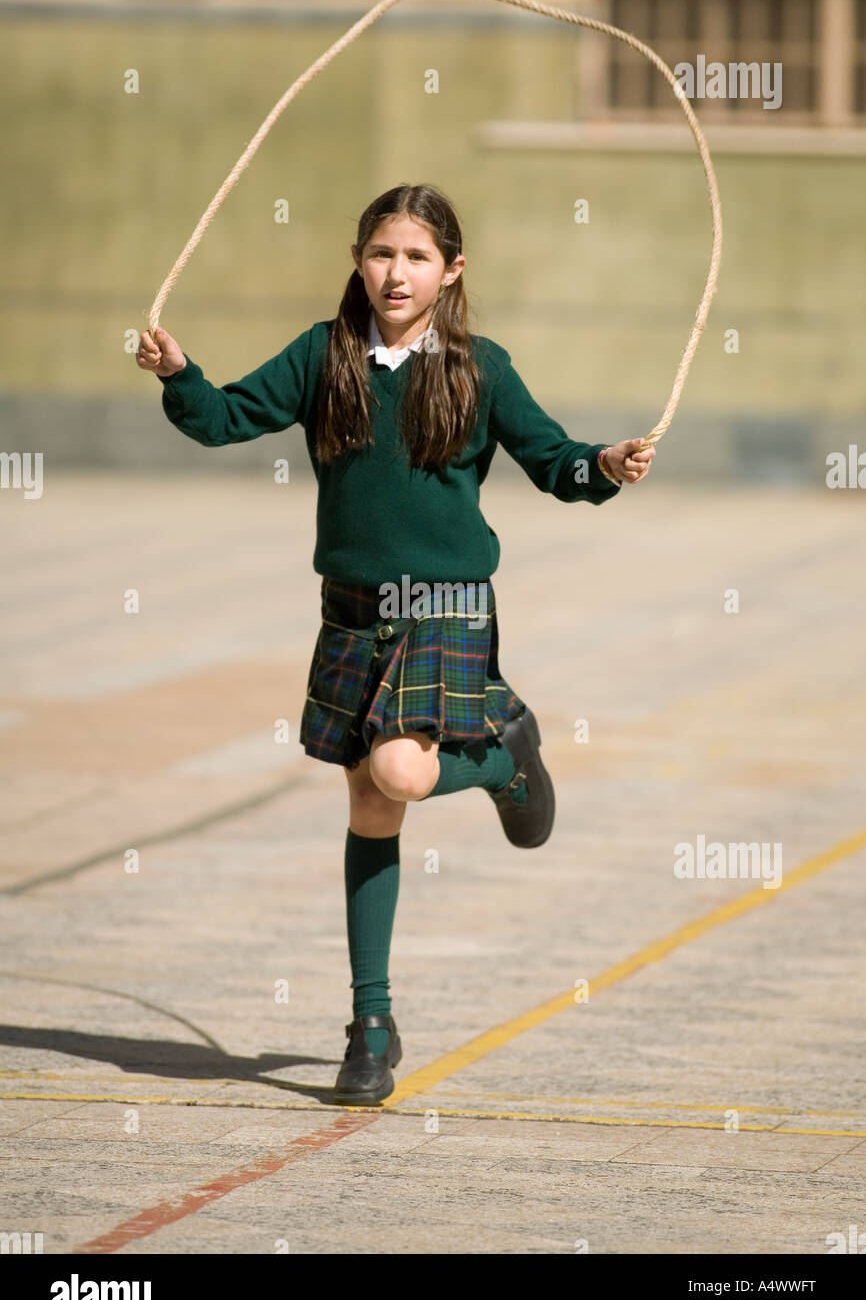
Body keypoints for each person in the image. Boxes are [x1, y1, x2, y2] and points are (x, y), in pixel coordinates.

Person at [136, 182, 655, 1106]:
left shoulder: (480, 367)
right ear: (358, 260)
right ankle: (370, 1025)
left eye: (417, 257)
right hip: (351, 613)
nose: (396, 272)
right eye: (381, 253)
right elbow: (221, 420)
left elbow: (553, 461)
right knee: (371, 808)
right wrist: (180, 373)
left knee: (405, 774)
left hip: (449, 607)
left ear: (452, 272)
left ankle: (502, 757)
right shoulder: (323, 355)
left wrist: (604, 465)